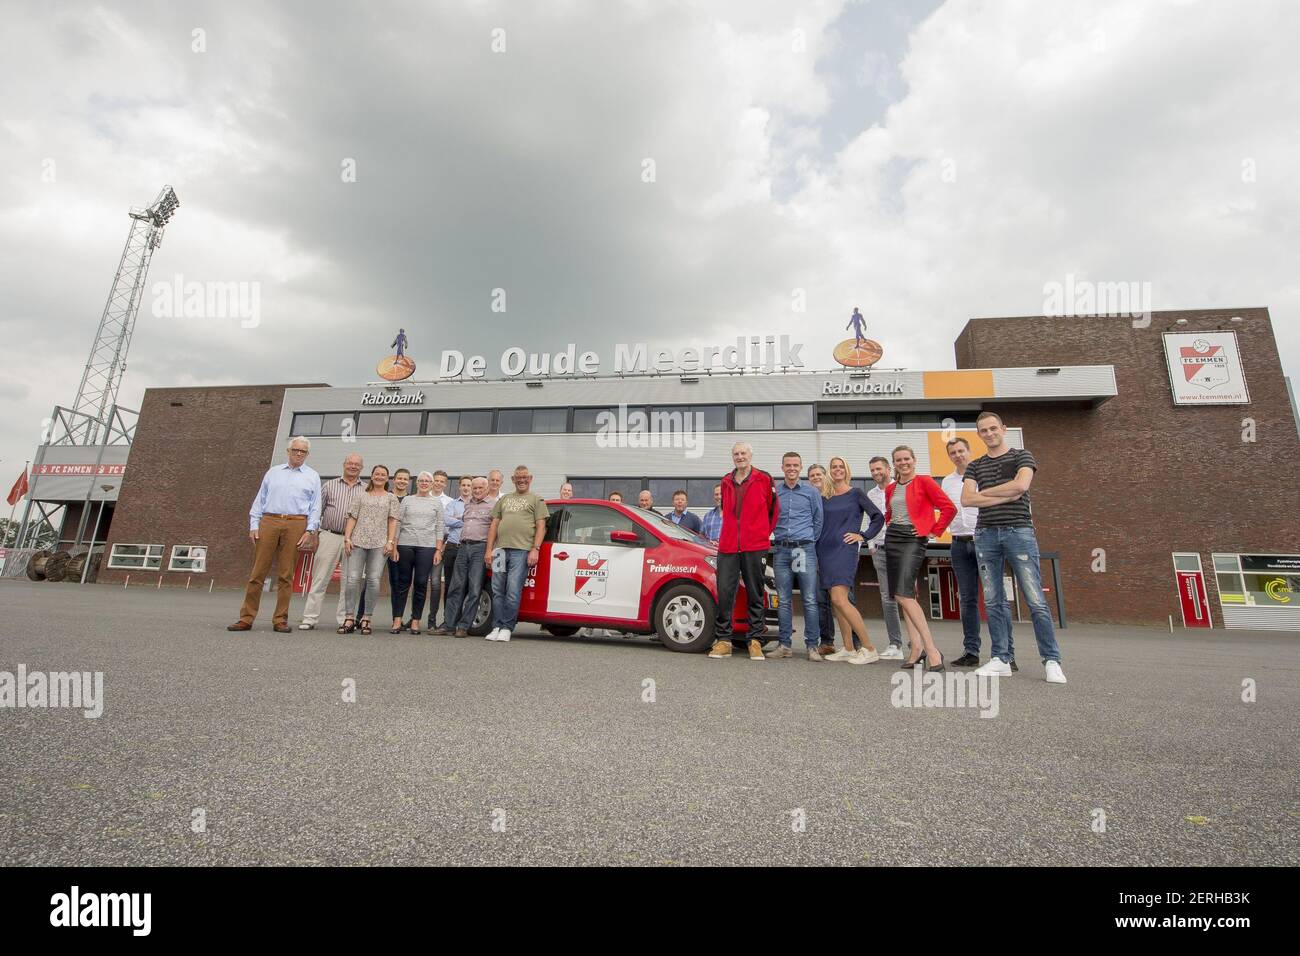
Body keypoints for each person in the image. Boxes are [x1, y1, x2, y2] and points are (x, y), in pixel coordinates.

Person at [963, 412, 1066, 684]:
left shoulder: (1023, 456)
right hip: (985, 534)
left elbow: (1021, 486)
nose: (989, 433)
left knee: (1035, 599)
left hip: (1018, 531)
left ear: (1003, 429)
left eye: (993, 428)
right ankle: (1001, 658)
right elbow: (966, 499)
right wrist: (1005, 492)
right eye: (983, 430)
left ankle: (1052, 660)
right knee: (994, 600)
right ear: (979, 434)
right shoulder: (974, 466)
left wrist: (984, 494)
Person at [229, 437, 321, 633]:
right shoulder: (273, 472)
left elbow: (315, 507)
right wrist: (254, 525)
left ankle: (280, 619)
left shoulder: (313, 476)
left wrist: (310, 530)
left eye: (303, 451)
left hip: (297, 523)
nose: (298, 453)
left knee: (286, 575)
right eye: (295, 449)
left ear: (307, 454)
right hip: (269, 520)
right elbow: (259, 500)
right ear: (288, 451)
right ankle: (246, 617)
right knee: (257, 573)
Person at [943, 438, 1014, 668]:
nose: (958, 455)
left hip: (984, 539)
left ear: (969, 451)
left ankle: (1007, 653)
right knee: (967, 599)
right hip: (958, 543)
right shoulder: (947, 481)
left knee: (996, 599)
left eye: (961, 451)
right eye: (953, 452)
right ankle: (971, 651)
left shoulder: (983, 475)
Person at [885, 445, 957, 671]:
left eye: (907, 458)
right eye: (898, 460)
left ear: (914, 460)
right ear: (894, 464)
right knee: (900, 595)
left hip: (913, 539)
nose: (903, 463)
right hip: (893, 537)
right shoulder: (891, 487)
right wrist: (889, 524)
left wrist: (933, 530)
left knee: (905, 595)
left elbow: (949, 508)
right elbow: (890, 512)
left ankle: (932, 650)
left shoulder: (925, 481)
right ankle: (915, 649)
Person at [708, 442, 778, 662]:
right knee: (725, 592)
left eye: (743, 453)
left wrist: (761, 533)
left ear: (750, 455)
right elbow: (728, 512)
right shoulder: (726, 480)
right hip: (728, 546)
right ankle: (724, 641)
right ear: (733, 457)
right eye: (736, 454)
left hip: (754, 546)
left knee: (755, 592)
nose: (740, 457)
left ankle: (755, 640)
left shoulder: (764, 478)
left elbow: (774, 510)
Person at [816, 456, 883, 664]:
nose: (837, 470)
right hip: (824, 552)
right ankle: (848, 648)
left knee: (840, 598)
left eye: (840, 467)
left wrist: (863, 535)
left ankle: (869, 648)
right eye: (833, 467)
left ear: (847, 470)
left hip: (844, 550)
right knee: (836, 601)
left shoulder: (856, 494)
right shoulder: (824, 496)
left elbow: (878, 517)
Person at [767, 452, 825, 661]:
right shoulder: (776, 493)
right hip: (782, 550)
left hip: (804, 549)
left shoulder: (811, 492)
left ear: (801, 468)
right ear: (782, 467)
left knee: (809, 599)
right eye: (788, 465)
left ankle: (812, 646)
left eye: (795, 465)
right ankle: (784, 645)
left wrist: (807, 540)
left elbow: (818, 521)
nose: (792, 468)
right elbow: (769, 517)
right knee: (783, 600)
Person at [298, 452, 365, 631]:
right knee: (320, 578)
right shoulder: (329, 485)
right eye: (350, 463)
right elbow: (317, 510)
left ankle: (344, 619)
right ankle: (310, 618)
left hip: (354, 540)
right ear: (344, 465)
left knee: (349, 582)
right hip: (330, 535)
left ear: (361, 468)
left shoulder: (366, 489)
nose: (353, 466)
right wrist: (313, 533)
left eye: (356, 464)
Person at [484, 465, 549, 642]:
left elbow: (541, 526)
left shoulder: (536, 500)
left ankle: (507, 627)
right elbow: (494, 525)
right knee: (497, 589)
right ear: (513, 480)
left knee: (513, 590)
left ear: (530, 479)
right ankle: (496, 626)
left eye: (525, 477)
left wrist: (535, 549)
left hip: (521, 551)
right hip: (499, 550)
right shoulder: (504, 500)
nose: (521, 480)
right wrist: (489, 550)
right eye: (518, 478)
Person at [342, 465, 400, 636]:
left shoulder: (391, 498)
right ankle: (349, 618)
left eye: (383, 474)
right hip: (358, 542)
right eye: (377, 474)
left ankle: (367, 617)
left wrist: (390, 542)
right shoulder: (361, 496)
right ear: (372, 476)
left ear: (387, 478)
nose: (380, 476)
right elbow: (352, 518)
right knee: (352, 579)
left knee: (373, 580)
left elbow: (392, 521)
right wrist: (347, 538)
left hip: (379, 545)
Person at [390, 471, 445, 635]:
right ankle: (397, 620)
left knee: (421, 583)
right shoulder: (407, 500)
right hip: (405, 545)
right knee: (403, 583)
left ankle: (415, 621)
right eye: (421, 480)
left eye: (427, 481)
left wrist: (438, 549)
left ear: (432, 484)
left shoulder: (436, 503)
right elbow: (398, 523)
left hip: (427, 548)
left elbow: (440, 526)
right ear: (417, 482)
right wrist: (394, 546)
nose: (424, 483)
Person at [806, 463, 848, 657]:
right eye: (812, 475)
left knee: (845, 599)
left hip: (836, 554)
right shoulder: (808, 499)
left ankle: (854, 642)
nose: (816, 478)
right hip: (814, 554)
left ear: (825, 476)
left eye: (819, 474)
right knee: (821, 599)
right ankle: (827, 641)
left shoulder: (833, 497)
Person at [866, 456, 905, 659]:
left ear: (888, 468)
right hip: (879, 550)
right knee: (887, 598)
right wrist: (871, 545)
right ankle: (895, 645)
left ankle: (919, 643)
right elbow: (871, 521)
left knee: (906, 597)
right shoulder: (870, 494)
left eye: (878, 469)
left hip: (900, 548)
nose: (875, 473)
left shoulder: (901, 488)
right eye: (872, 470)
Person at [444, 476, 493, 637]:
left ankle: (464, 626)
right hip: (463, 546)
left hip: (480, 548)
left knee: (474, 588)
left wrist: (490, 551)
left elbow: (495, 530)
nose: (477, 491)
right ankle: (449, 624)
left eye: (481, 488)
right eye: (475, 488)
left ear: (487, 489)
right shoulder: (468, 504)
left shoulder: (493, 505)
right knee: (455, 587)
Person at [422, 470, 460, 629]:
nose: (438, 483)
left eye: (441, 481)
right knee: (434, 582)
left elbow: (451, 523)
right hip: (429, 543)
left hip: (447, 543)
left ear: (445, 484)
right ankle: (431, 620)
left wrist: (454, 521)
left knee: (450, 584)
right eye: (435, 480)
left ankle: (448, 620)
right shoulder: (424, 498)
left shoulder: (450, 501)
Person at [432, 476, 470, 631]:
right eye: (464, 485)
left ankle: (461, 620)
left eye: (469, 485)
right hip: (453, 547)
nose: (466, 488)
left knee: (466, 585)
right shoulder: (452, 504)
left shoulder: (477, 505)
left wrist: (458, 518)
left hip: (468, 548)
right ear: (459, 487)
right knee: (449, 585)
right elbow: (446, 520)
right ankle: (448, 621)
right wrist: (465, 520)